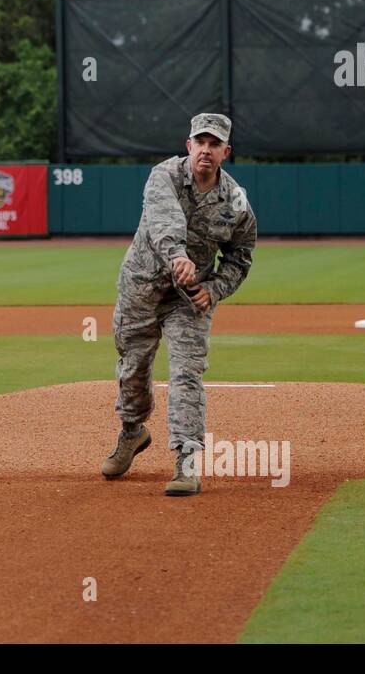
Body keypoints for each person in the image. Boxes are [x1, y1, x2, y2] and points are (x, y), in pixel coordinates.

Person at [100, 113, 257, 495]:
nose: (206, 150)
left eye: (214, 144)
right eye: (199, 142)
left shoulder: (235, 202)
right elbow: (163, 221)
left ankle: (186, 462)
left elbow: (241, 255)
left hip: (189, 298)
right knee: (133, 368)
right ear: (188, 146)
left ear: (225, 152)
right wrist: (177, 255)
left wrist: (215, 289)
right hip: (142, 287)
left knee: (187, 372)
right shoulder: (164, 176)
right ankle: (132, 432)